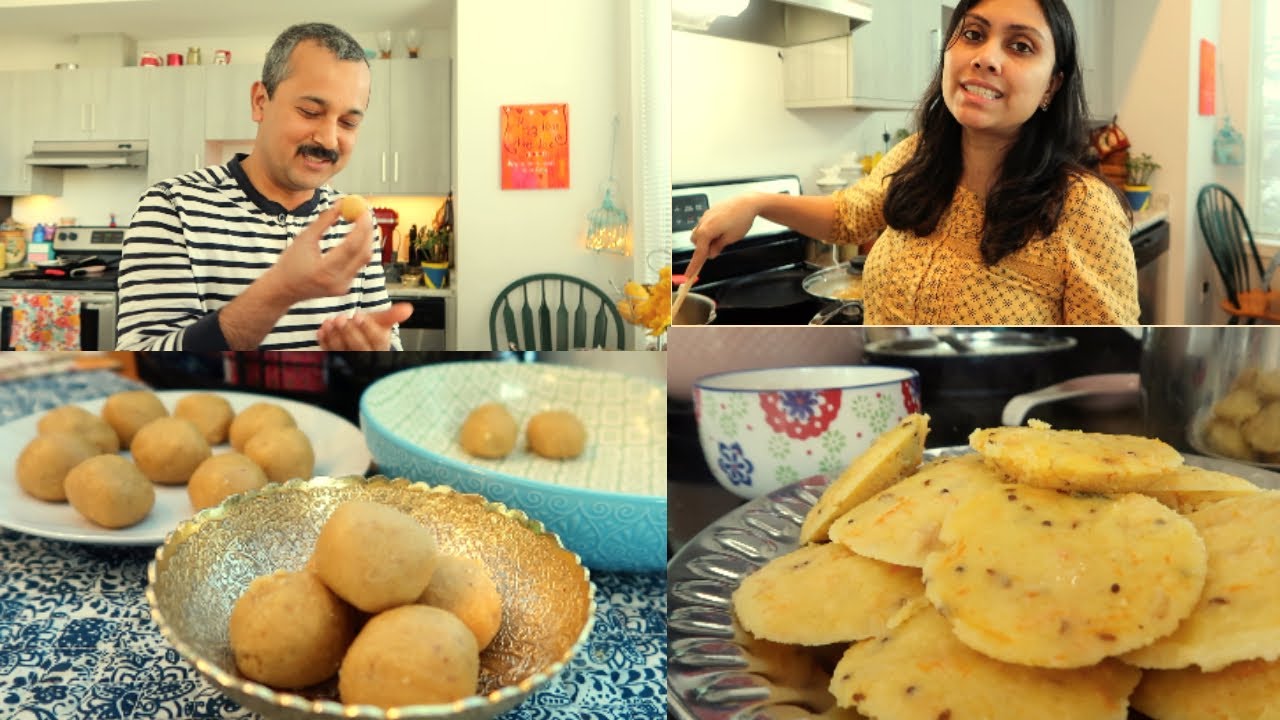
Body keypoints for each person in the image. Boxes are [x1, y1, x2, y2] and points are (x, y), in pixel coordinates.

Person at [690, 0, 1139, 325]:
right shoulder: (918, 156)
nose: (986, 57)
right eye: (973, 34)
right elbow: (846, 217)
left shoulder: (1082, 209)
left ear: (1051, 87)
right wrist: (756, 203)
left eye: (1020, 46)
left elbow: (1103, 361)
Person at [115, 22, 413, 350]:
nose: (329, 139)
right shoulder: (171, 208)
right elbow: (144, 364)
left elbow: (388, 348)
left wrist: (369, 355)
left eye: (348, 123)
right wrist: (280, 290)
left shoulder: (355, 222)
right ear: (260, 101)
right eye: (310, 111)